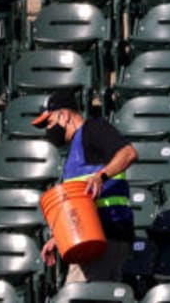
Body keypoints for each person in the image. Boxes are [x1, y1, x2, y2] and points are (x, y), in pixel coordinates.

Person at [32, 91, 139, 283]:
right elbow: (79, 204)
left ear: (64, 115)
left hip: (105, 235)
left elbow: (129, 153)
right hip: (90, 237)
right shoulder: (75, 150)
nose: (48, 130)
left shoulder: (93, 130)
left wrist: (101, 177)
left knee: (78, 294)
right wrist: (59, 237)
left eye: (50, 122)